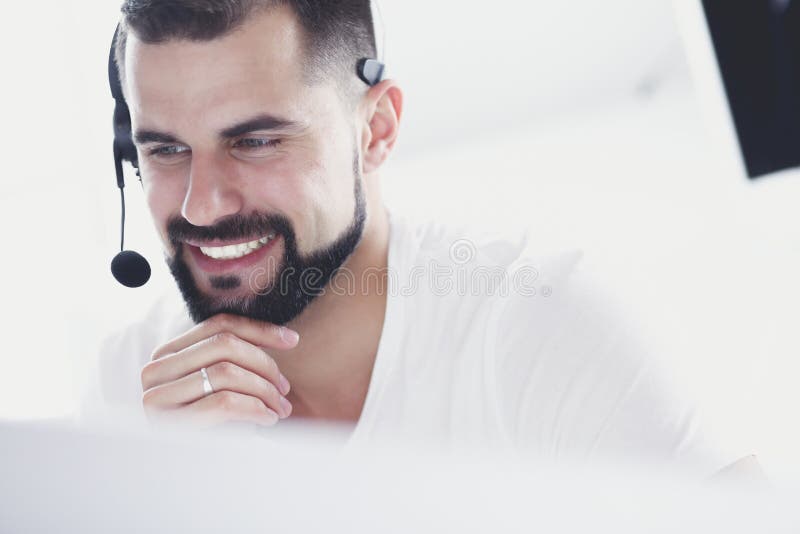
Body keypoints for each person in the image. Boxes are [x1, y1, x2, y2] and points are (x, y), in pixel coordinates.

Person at [82, 0, 748, 477]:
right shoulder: (127, 390)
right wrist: (166, 492)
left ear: (375, 131)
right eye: (167, 150)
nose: (201, 206)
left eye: (255, 141)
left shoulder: (543, 332)